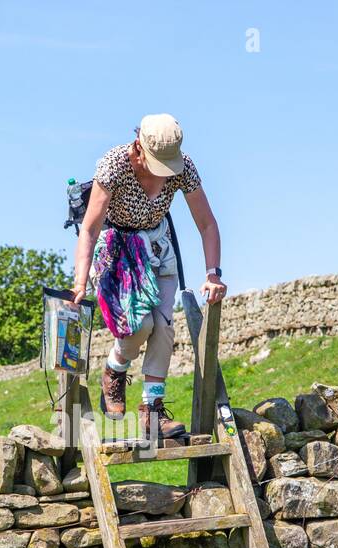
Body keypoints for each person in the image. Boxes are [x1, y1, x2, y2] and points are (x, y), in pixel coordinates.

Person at [71, 113, 225, 441]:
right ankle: (114, 368)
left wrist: (213, 273)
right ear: (138, 148)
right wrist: (80, 282)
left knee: (164, 328)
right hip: (117, 249)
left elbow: (207, 223)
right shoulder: (113, 166)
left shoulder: (184, 167)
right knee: (140, 326)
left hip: (158, 247)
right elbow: (89, 228)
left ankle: (151, 414)